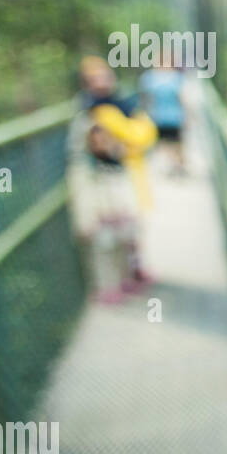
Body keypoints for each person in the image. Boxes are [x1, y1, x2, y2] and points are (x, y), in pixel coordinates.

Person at [67, 57, 158, 303]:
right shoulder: (93, 113)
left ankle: (129, 274)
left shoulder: (121, 104)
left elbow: (143, 135)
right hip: (100, 182)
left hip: (122, 176)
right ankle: (109, 284)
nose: (103, 82)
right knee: (106, 237)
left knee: (128, 229)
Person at [139, 57, 188, 175]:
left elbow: (183, 98)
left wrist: (187, 116)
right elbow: (145, 98)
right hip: (158, 118)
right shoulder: (148, 78)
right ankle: (173, 166)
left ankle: (179, 166)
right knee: (164, 144)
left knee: (177, 144)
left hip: (175, 117)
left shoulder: (176, 78)